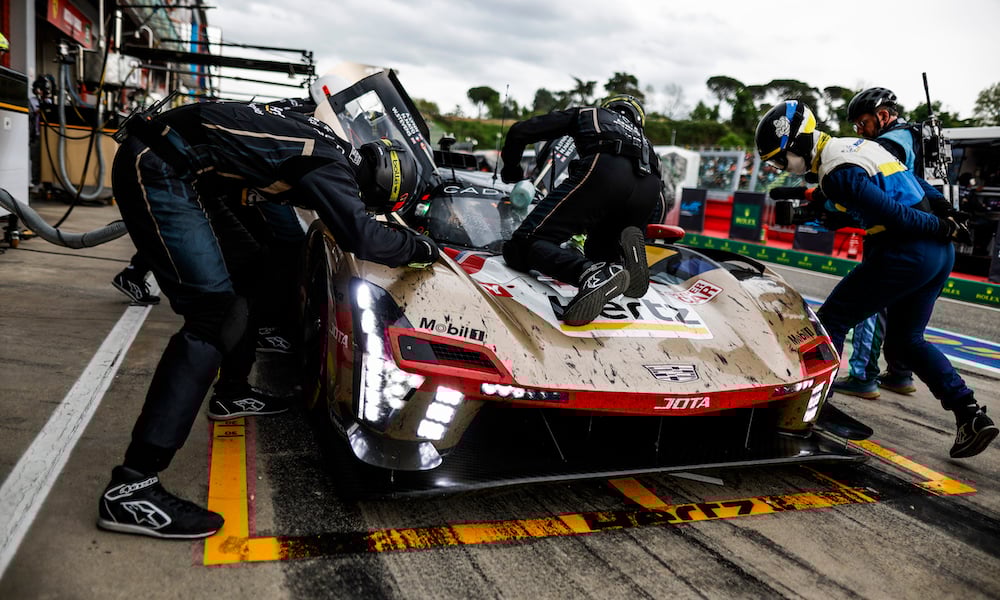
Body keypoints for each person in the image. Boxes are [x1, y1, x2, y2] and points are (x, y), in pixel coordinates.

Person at [97, 98, 438, 539]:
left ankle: (232, 391)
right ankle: (132, 485)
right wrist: (420, 249)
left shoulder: (326, 138)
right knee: (212, 315)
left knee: (252, 270)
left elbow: (267, 119)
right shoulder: (330, 164)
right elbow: (362, 236)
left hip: (182, 167)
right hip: (161, 167)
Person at [755, 99, 997, 459]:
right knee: (906, 341)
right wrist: (946, 213)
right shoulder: (857, 147)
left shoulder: (837, 172)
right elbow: (912, 183)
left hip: (906, 249)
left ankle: (812, 409)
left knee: (833, 320)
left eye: (780, 159)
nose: (781, 168)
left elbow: (894, 215)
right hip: (936, 255)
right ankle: (970, 414)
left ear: (800, 144)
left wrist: (941, 225)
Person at [498, 95, 666, 325]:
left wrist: (511, 170)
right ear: (639, 119)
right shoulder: (646, 143)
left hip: (607, 169)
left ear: (608, 107)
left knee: (523, 245)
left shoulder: (591, 113)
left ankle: (588, 273)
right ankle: (617, 261)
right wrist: (640, 228)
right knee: (597, 252)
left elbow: (519, 131)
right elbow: (660, 206)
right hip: (649, 188)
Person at [831, 87, 932, 399]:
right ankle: (900, 373)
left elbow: (873, 190)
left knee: (870, 307)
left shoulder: (889, 144)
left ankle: (862, 375)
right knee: (906, 314)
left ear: (883, 116)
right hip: (926, 239)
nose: (860, 133)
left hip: (895, 237)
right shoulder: (918, 136)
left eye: (862, 124)